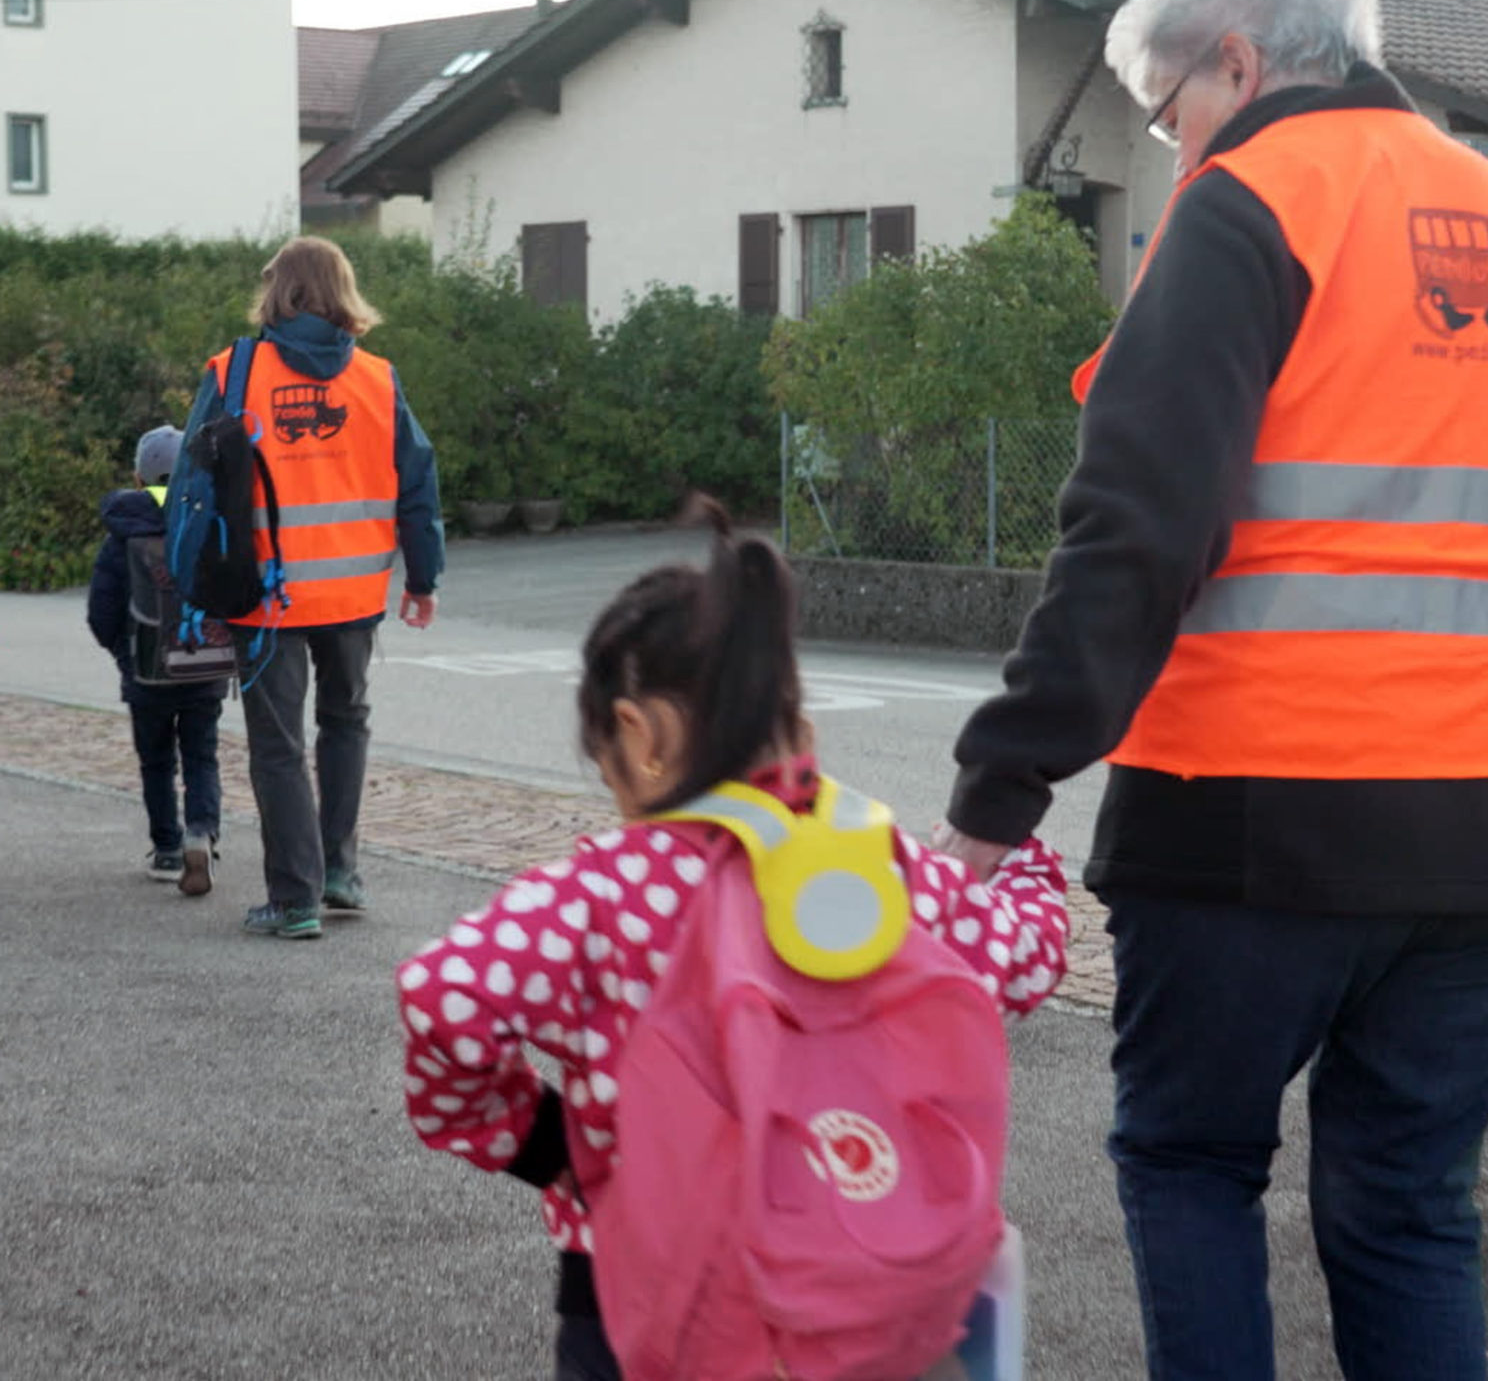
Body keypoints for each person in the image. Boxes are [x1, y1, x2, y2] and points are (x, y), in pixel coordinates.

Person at [934, 0, 1488, 1381]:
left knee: (1192, 1161)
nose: (1171, 151)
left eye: (1168, 115)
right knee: (1406, 1206)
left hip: (1256, 823)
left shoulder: (1245, 208)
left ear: (1236, 58)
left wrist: (1001, 782)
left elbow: (1140, 530)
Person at [394, 515, 1067, 1381]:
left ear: (639, 737)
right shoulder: (878, 867)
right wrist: (1022, 858)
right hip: (859, 1283)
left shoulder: (601, 894)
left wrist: (541, 1144)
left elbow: (444, 997)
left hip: (637, 1286)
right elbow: (1028, 957)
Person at [166, 236, 443, 940]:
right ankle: (341, 871)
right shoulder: (378, 380)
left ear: (277, 289)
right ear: (343, 291)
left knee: (278, 745)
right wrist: (423, 576)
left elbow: (195, 486)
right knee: (346, 723)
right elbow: (417, 482)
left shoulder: (235, 372)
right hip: (353, 596)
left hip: (267, 593)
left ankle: (296, 899)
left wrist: (190, 583)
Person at [86, 424, 228, 896]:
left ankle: (166, 849)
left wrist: (124, 654)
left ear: (140, 477)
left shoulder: (124, 533)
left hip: (146, 670)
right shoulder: (208, 519)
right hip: (203, 664)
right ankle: (201, 832)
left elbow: (101, 611)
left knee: (156, 762)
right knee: (202, 755)